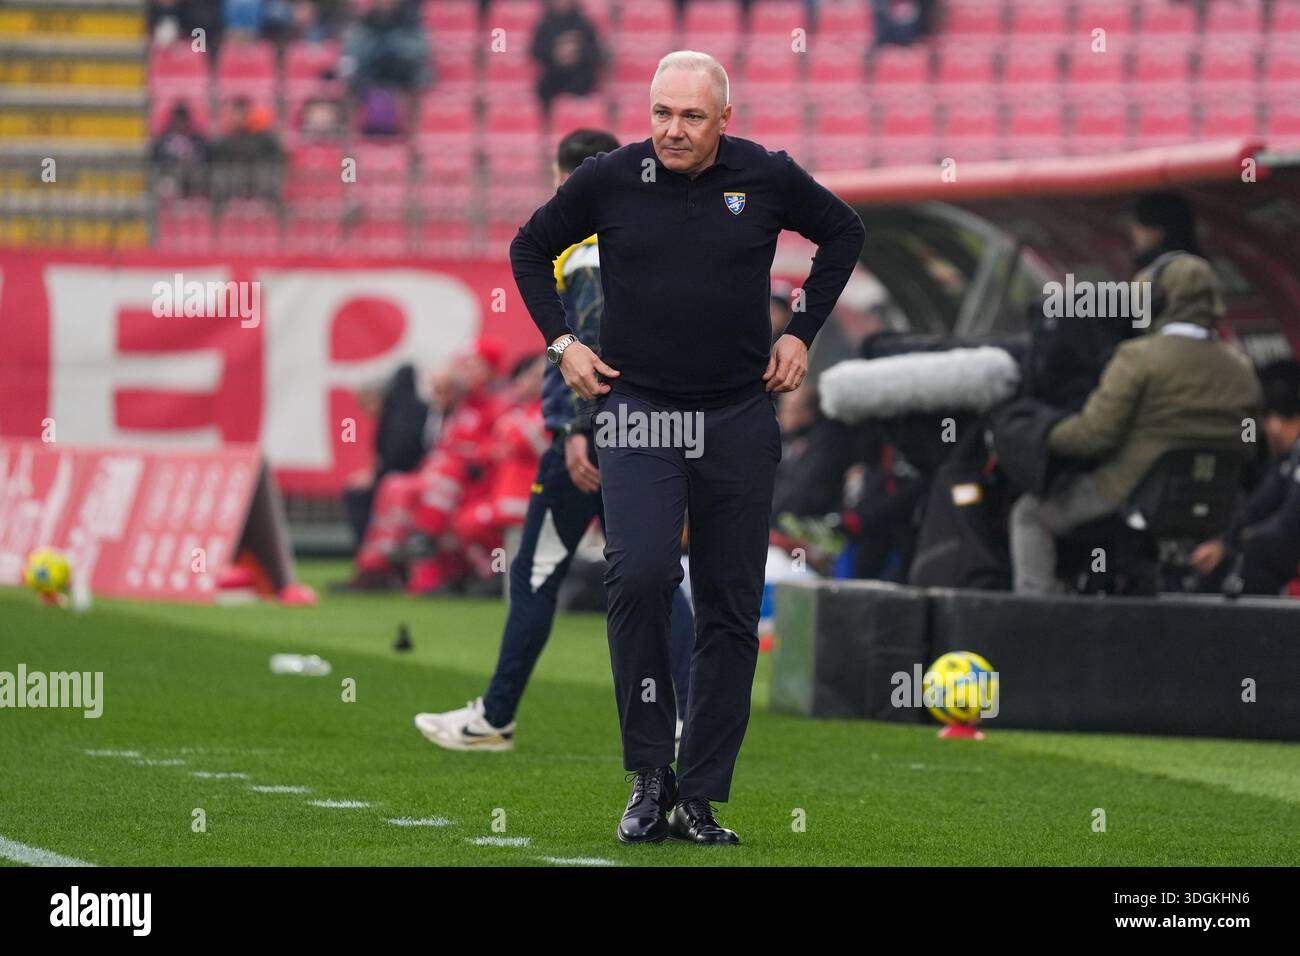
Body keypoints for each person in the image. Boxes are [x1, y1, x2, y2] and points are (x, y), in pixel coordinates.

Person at [510, 51, 865, 845]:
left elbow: (844, 230)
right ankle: (647, 774)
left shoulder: (766, 176)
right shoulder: (608, 177)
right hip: (638, 412)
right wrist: (563, 342)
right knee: (636, 575)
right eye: (662, 113)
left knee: (729, 607)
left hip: (737, 415)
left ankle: (699, 795)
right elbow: (530, 248)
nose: (673, 130)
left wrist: (803, 332)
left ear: (724, 120)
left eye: (691, 117)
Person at [414, 129, 697, 755]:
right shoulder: (642, 237)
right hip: (638, 430)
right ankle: (689, 713)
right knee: (651, 573)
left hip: (591, 440)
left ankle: (495, 716)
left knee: (540, 573)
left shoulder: (585, 251)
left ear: (567, 178)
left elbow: (589, 343)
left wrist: (575, 431)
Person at [1010, 254, 1262, 594]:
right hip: (1210, 501)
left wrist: (1037, 431)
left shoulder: (1137, 357)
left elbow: (1092, 436)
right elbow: (1248, 441)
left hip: (1130, 491)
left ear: (1157, 300)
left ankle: (1036, 617)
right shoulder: (1242, 368)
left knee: (1029, 514)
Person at [1191, 360, 1300, 595]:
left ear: (1277, 422)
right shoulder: (1288, 460)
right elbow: (1258, 506)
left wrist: (1240, 545)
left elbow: (1290, 524)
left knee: (1256, 556)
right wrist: (1224, 543)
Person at [531, 0, 602, 114]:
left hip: (578, 74)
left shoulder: (583, 23)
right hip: (553, 72)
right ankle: (547, 123)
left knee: (582, 83)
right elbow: (535, 50)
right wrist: (556, 53)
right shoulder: (545, 23)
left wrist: (575, 54)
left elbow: (595, 52)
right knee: (543, 88)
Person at [152, 102, 208, 199]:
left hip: (192, 177)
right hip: (170, 177)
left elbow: (204, 157)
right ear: (173, 119)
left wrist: (191, 159)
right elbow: (158, 159)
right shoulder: (165, 140)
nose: (180, 122)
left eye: (183, 118)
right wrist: (175, 161)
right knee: (165, 186)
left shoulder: (196, 139)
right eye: (177, 118)